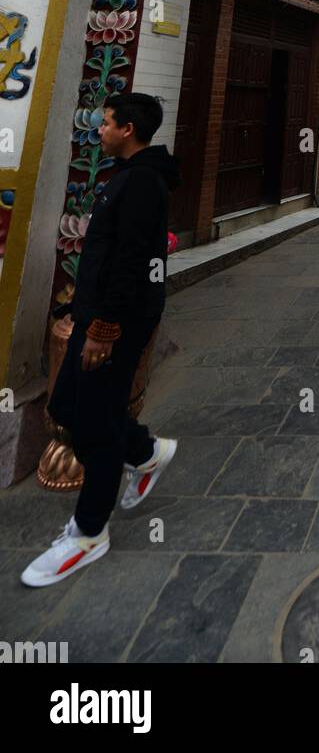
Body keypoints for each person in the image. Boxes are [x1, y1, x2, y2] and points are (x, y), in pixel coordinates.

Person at [22, 93, 181, 587]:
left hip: (116, 323)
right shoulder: (128, 178)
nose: (101, 130)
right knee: (69, 407)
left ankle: (90, 530)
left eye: (107, 123)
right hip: (97, 317)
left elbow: (132, 261)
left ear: (128, 128)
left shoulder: (142, 183)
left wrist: (105, 330)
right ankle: (145, 452)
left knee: (92, 419)